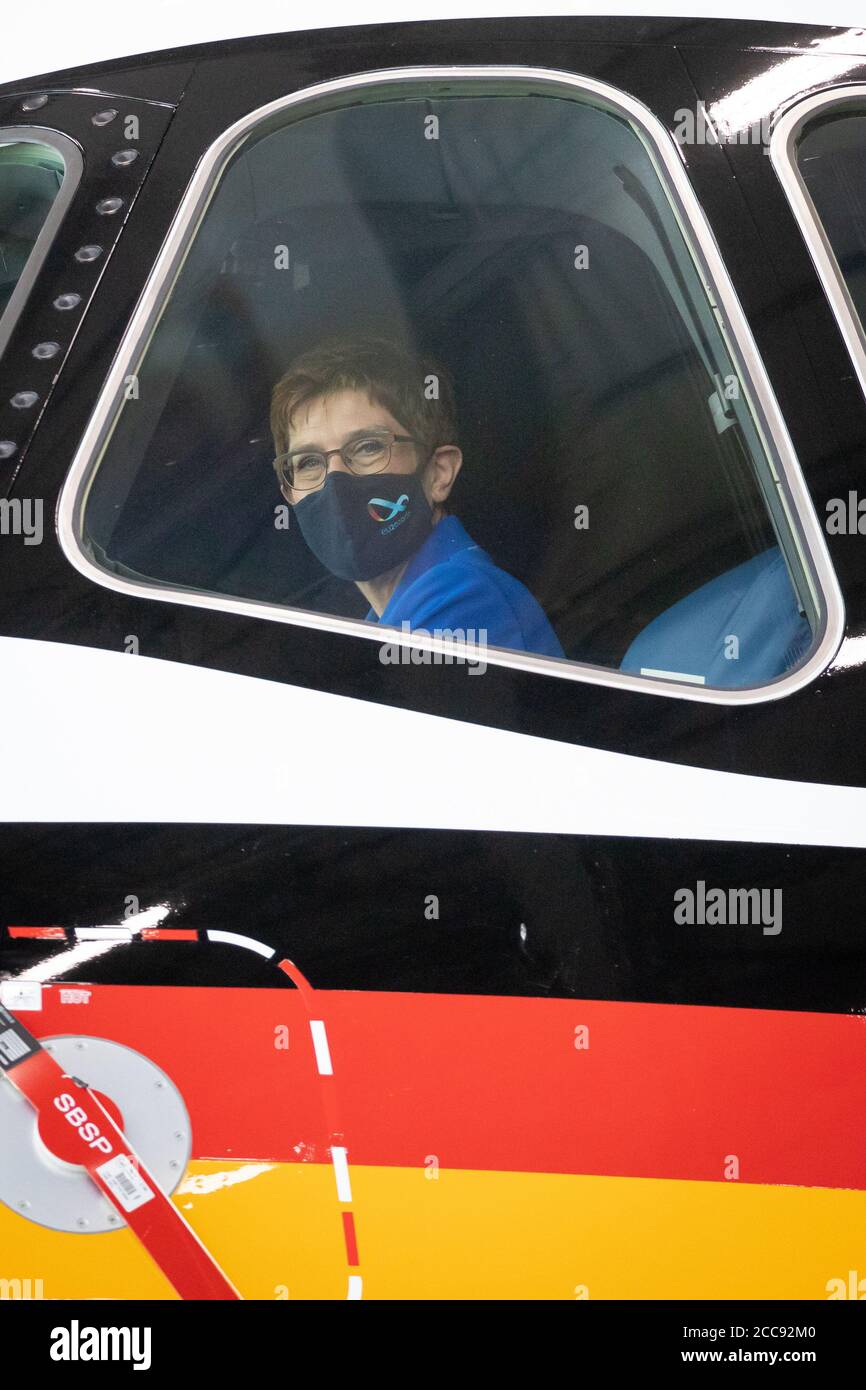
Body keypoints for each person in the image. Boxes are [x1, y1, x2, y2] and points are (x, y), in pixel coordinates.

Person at [270, 335, 564, 659]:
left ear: (439, 473)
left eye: (368, 447)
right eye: (309, 462)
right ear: (289, 493)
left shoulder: (463, 596)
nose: (335, 480)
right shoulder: (392, 615)